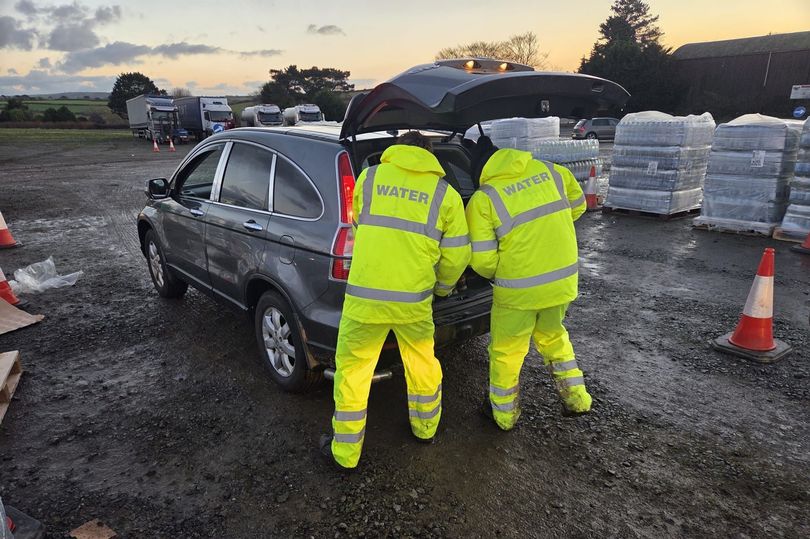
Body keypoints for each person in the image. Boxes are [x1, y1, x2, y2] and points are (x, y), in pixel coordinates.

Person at [321, 131, 471, 469]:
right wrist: (442, 289)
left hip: (364, 300)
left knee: (353, 372)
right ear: (429, 154)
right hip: (413, 302)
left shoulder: (369, 178)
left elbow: (359, 224)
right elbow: (459, 255)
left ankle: (345, 454)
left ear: (397, 149)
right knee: (421, 365)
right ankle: (425, 429)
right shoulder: (444, 194)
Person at [465, 137, 590, 431]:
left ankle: (504, 416)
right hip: (561, 281)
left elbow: (482, 260)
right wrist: (546, 236)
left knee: (507, 352)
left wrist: (505, 271)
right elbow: (578, 207)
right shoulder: (553, 172)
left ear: (482, 170)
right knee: (554, 337)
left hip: (517, 292)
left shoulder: (485, 198)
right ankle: (577, 399)